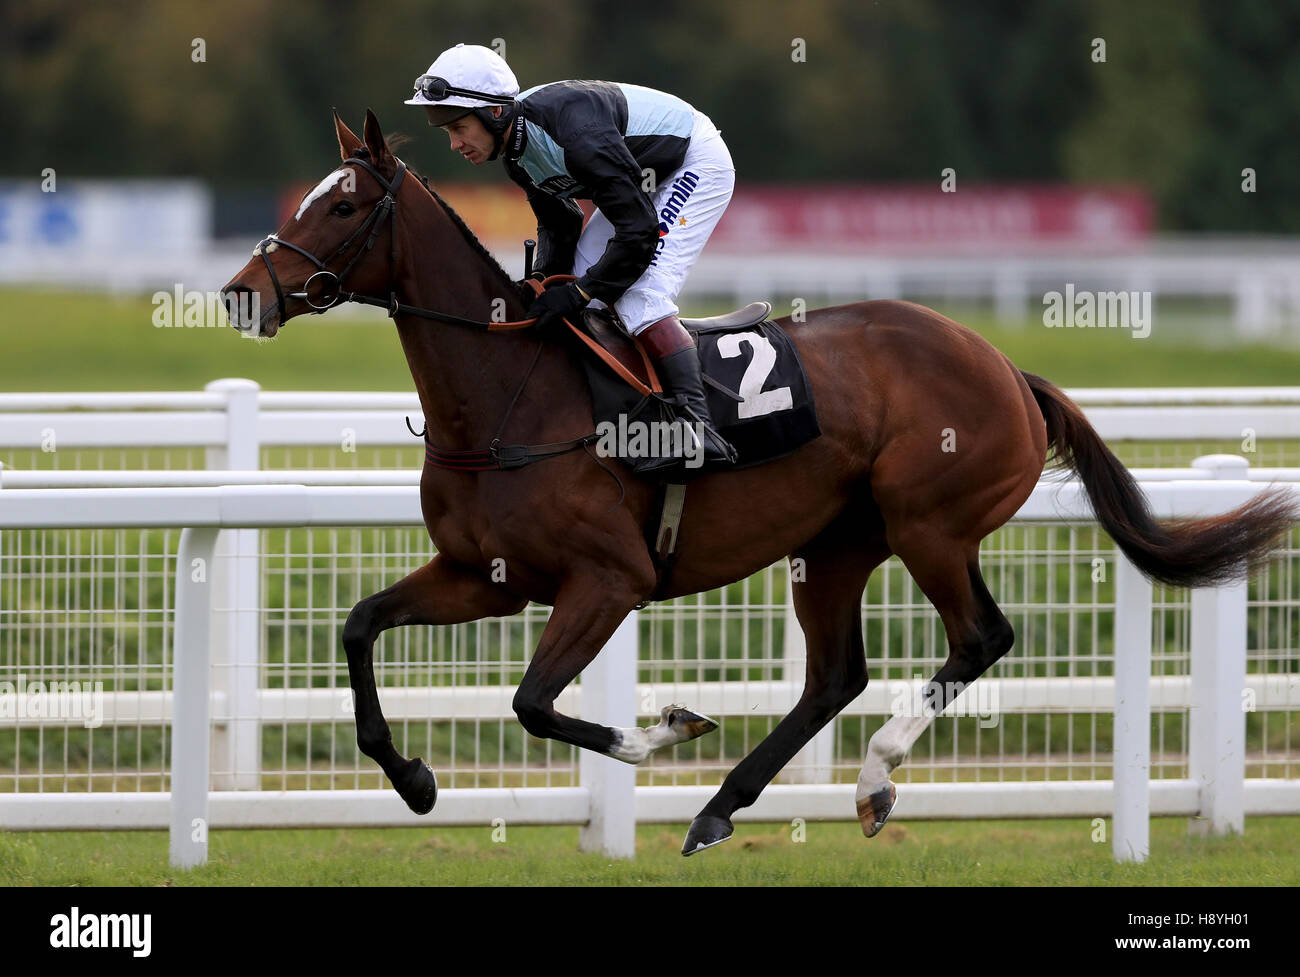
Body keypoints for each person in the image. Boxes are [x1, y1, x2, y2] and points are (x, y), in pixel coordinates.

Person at [405, 42, 737, 470]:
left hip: (692, 162)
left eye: (458, 127)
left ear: (496, 112)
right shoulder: (517, 155)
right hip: (641, 176)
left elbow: (638, 233)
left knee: (640, 294)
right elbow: (560, 222)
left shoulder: (576, 136)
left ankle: (698, 429)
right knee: (577, 285)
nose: (454, 144)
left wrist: (580, 294)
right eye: (446, 131)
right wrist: (545, 282)